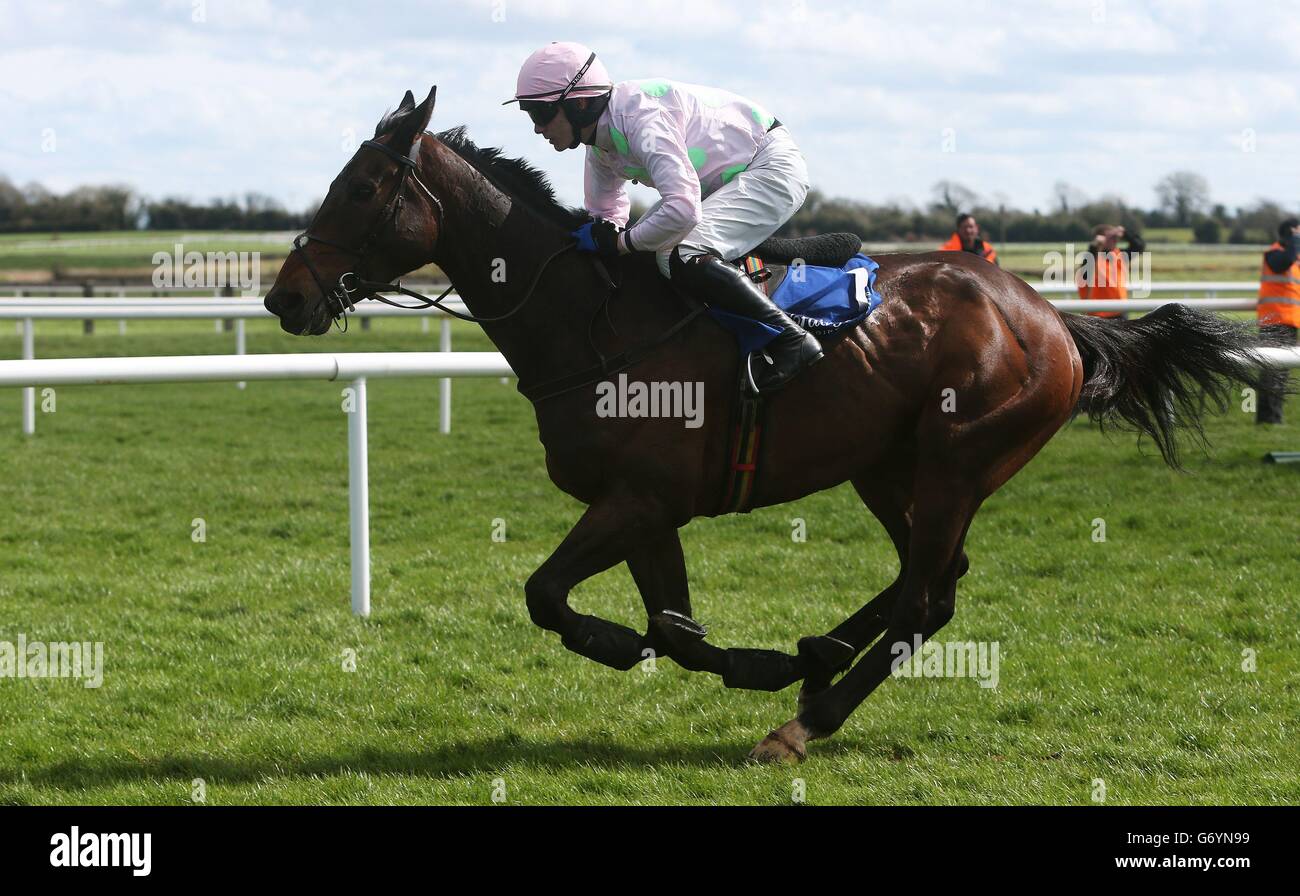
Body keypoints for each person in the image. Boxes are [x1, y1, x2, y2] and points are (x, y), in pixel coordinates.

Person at [504, 41, 821, 392]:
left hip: (770, 166)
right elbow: (605, 215)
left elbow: (683, 209)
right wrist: (605, 233)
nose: (536, 128)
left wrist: (621, 243)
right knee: (651, 244)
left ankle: (792, 340)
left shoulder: (640, 120)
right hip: (725, 179)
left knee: (678, 253)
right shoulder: (601, 146)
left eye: (539, 113)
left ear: (578, 103)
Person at [1255, 217, 1300, 424]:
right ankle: (1268, 419)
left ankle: (1272, 419)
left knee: (1281, 373)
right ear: (1289, 234)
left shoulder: (1293, 257)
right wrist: (1295, 239)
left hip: (1289, 322)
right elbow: (1285, 261)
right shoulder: (1274, 254)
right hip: (1273, 321)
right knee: (1271, 373)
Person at [1076, 224, 1145, 319]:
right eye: (1111, 237)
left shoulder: (1118, 254)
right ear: (1099, 238)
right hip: (1097, 317)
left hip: (1120, 313)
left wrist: (1125, 233)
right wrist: (1094, 247)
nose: (1115, 240)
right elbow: (1086, 274)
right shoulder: (1093, 256)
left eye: (1116, 237)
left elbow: (1139, 246)